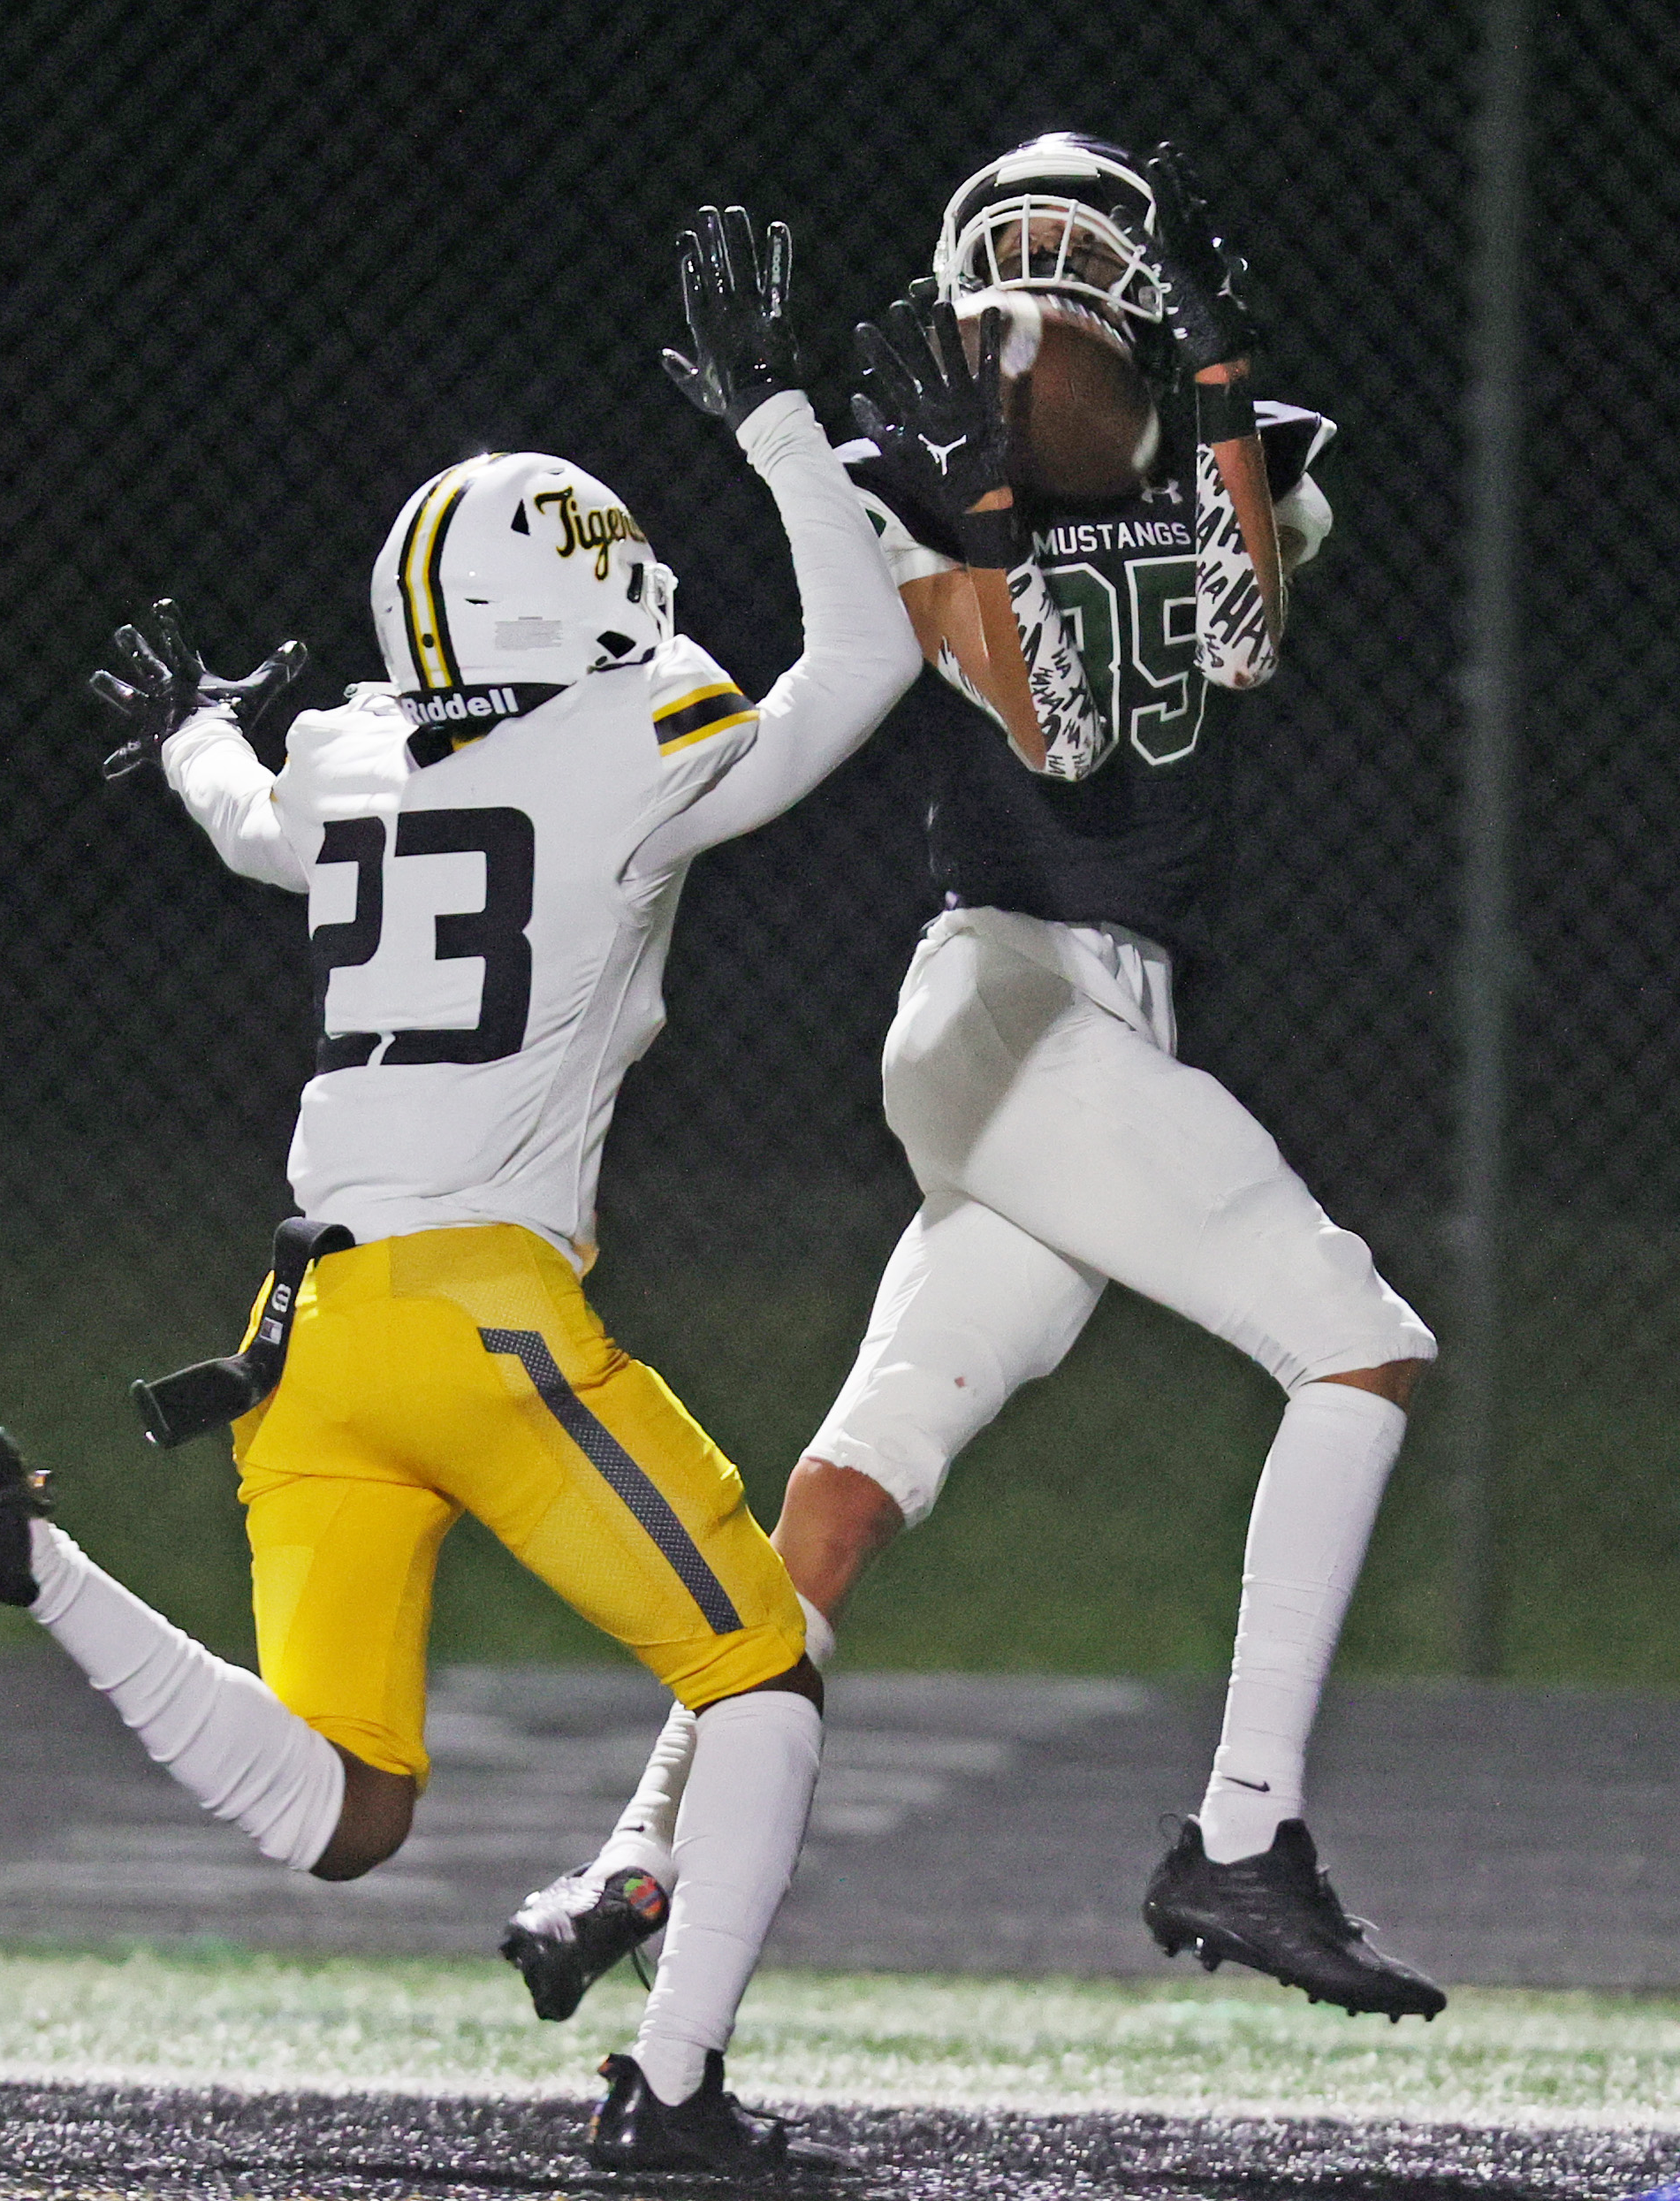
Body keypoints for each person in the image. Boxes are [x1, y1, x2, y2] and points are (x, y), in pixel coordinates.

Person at [0, 206, 922, 2174]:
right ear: (573, 602)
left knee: (340, 1805)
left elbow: (256, 826)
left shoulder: (346, 750)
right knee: (759, 1675)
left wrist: (187, 733)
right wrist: (776, 414)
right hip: (482, 1318)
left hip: (305, 1336)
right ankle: (671, 2100)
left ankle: (24, 1555)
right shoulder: (633, 727)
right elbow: (859, 658)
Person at [503, 136, 1446, 2026]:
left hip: (1098, 1042)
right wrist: (981, 518)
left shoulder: (1233, 452)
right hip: (1003, 1005)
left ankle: (633, 1856)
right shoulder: (911, 487)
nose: (1026, 285)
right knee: (1358, 1345)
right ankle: (1241, 1840)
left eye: (1068, 249)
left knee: (848, 1494)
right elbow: (1057, 731)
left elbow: (1241, 643)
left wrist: (1222, 407)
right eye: (999, 253)